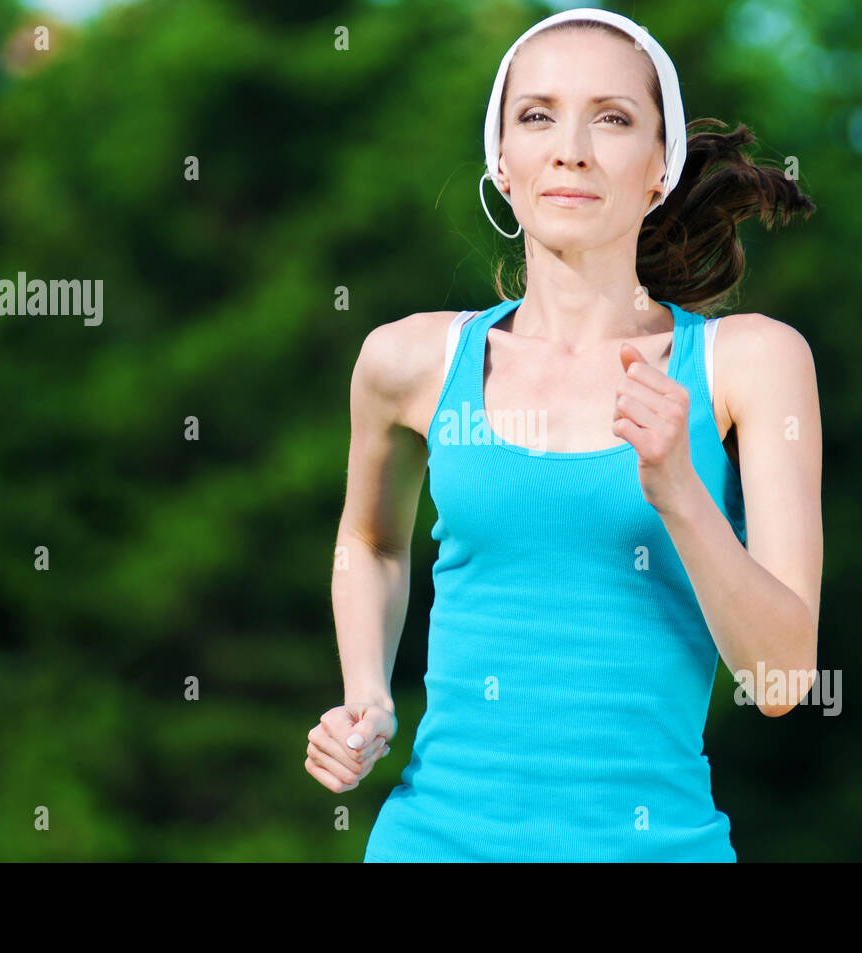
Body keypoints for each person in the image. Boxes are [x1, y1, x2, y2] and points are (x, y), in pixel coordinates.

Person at [306, 7, 822, 862]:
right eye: (537, 115)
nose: (570, 147)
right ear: (500, 161)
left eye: (612, 118)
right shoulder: (408, 361)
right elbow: (372, 540)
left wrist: (681, 492)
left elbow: (781, 679)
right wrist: (368, 694)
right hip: (433, 841)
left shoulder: (749, 363)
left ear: (662, 167)